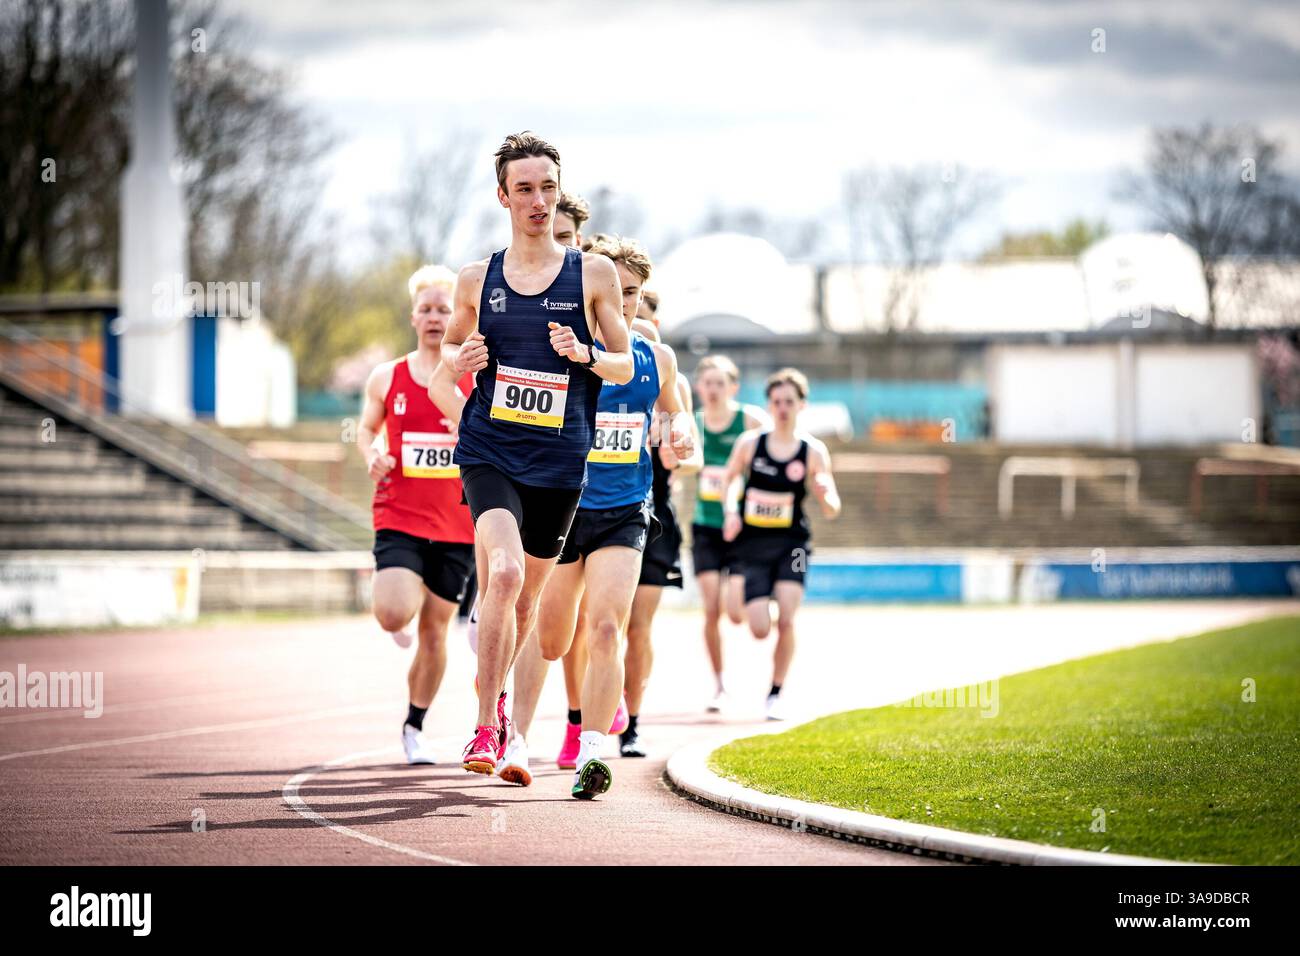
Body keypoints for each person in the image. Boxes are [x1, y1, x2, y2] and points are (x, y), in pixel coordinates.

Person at [430, 131, 633, 775]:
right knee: (506, 573)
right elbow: (441, 377)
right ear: (503, 197)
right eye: (525, 189)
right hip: (490, 452)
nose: (539, 201)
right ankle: (486, 729)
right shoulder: (476, 280)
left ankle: (510, 724)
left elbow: (626, 366)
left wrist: (587, 356)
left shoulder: (592, 275)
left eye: (548, 187)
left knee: (526, 606)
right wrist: (460, 375)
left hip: (560, 464)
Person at [498, 235, 697, 798]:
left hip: (624, 510)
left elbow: (675, 414)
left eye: (633, 293)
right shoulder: (561, 348)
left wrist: (679, 431)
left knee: (609, 627)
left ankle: (591, 754)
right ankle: (515, 738)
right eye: (616, 292)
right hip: (562, 505)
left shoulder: (655, 356)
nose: (625, 303)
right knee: (551, 636)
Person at [357, 264, 476, 764]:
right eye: (426, 309)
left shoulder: (473, 380)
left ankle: (414, 726)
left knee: (434, 632)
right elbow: (366, 430)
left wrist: (467, 438)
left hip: (456, 525)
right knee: (393, 612)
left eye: (443, 310)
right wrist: (372, 454)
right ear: (413, 317)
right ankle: (395, 603)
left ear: (457, 319)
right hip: (400, 515)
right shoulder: (388, 377)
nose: (434, 317)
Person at [721, 368, 841, 720]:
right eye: (777, 401)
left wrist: (824, 496)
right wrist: (731, 511)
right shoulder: (750, 444)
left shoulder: (812, 451)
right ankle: (758, 595)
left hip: (794, 546)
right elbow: (730, 482)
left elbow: (833, 506)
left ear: (802, 405)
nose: (783, 408)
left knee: (787, 619)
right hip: (752, 544)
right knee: (759, 629)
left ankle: (775, 693)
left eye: (790, 401)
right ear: (769, 405)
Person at [620, 292, 699, 757]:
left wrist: (677, 452)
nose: (637, 330)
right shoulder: (604, 371)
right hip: (601, 506)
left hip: (656, 514)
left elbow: (695, 456)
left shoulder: (671, 381)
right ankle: (592, 704)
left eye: (646, 325)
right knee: (597, 621)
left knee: (638, 627)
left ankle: (632, 721)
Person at [690, 355, 769, 712]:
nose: (713, 390)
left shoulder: (750, 421)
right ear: (698, 387)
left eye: (720, 383)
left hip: (742, 527)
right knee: (711, 610)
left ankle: (757, 600)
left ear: (733, 387)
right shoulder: (693, 423)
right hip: (706, 524)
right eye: (707, 383)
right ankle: (719, 684)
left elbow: (779, 449)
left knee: (735, 613)